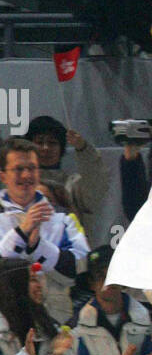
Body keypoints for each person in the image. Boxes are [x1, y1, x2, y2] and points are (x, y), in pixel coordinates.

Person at [0, 137, 88, 325]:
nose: (26, 176)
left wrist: (38, 246)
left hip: (57, 322)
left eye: (31, 168)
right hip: (6, 325)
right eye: (18, 169)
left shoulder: (62, 218)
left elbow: (78, 269)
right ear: (3, 176)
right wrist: (22, 232)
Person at [24, 114, 108, 244]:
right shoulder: (16, 184)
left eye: (52, 143)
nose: (46, 148)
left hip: (68, 255)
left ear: (61, 148)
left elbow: (96, 184)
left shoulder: (72, 185)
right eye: (40, 142)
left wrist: (83, 149)